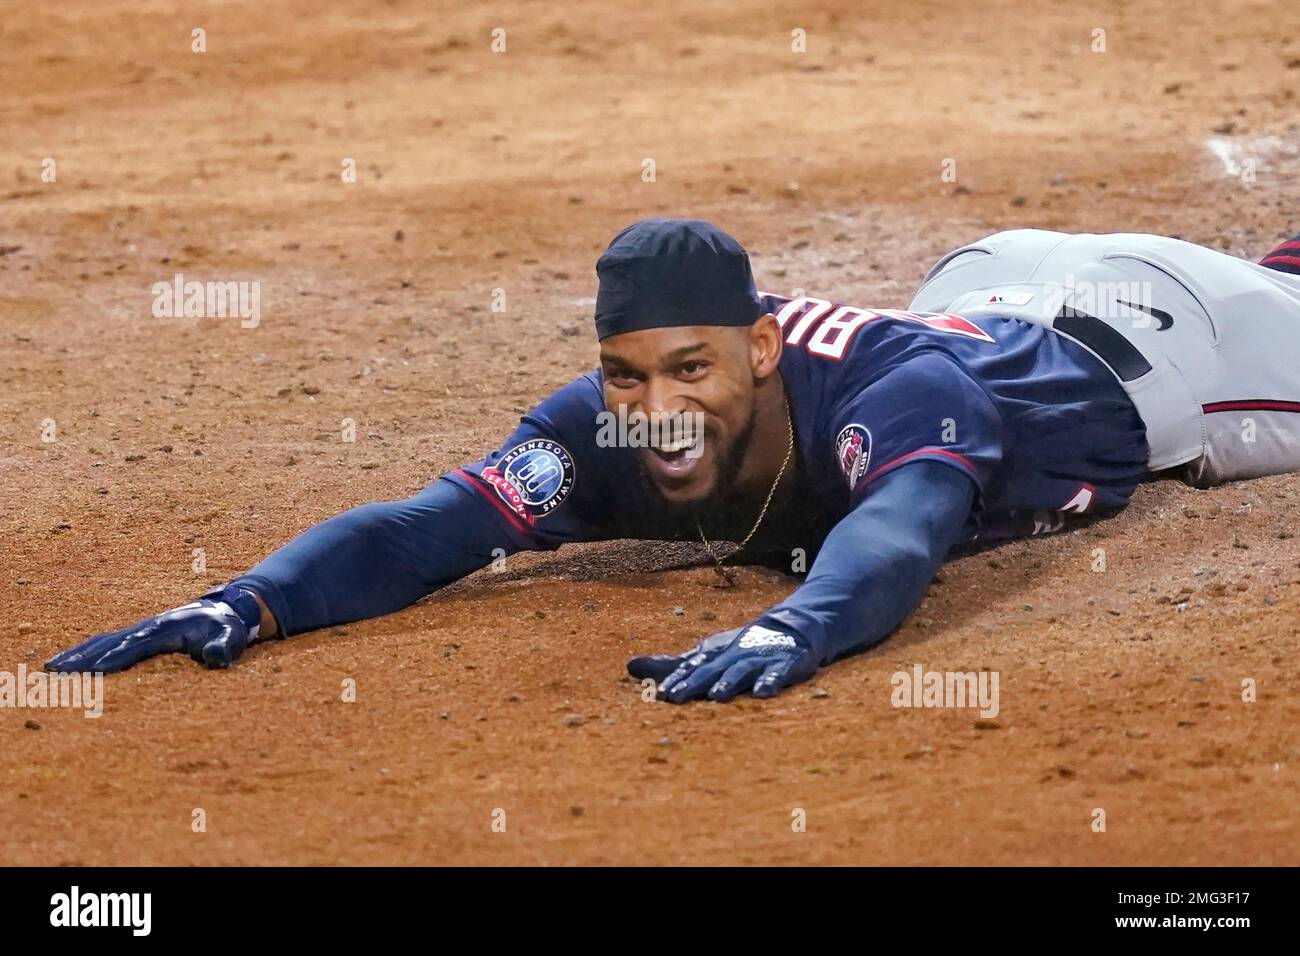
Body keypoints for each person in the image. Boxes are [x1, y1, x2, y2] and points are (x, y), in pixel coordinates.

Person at [46, 219, 1300, 703]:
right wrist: (250, 594)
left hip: (1175, 340)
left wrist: (794, 626)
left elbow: (901, 531)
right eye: (629, 374)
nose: (661, 407)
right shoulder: (607, 432)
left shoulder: (893, 396)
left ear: (761, 347)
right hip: (991, 274)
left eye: (694, 369)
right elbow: (427, 526)